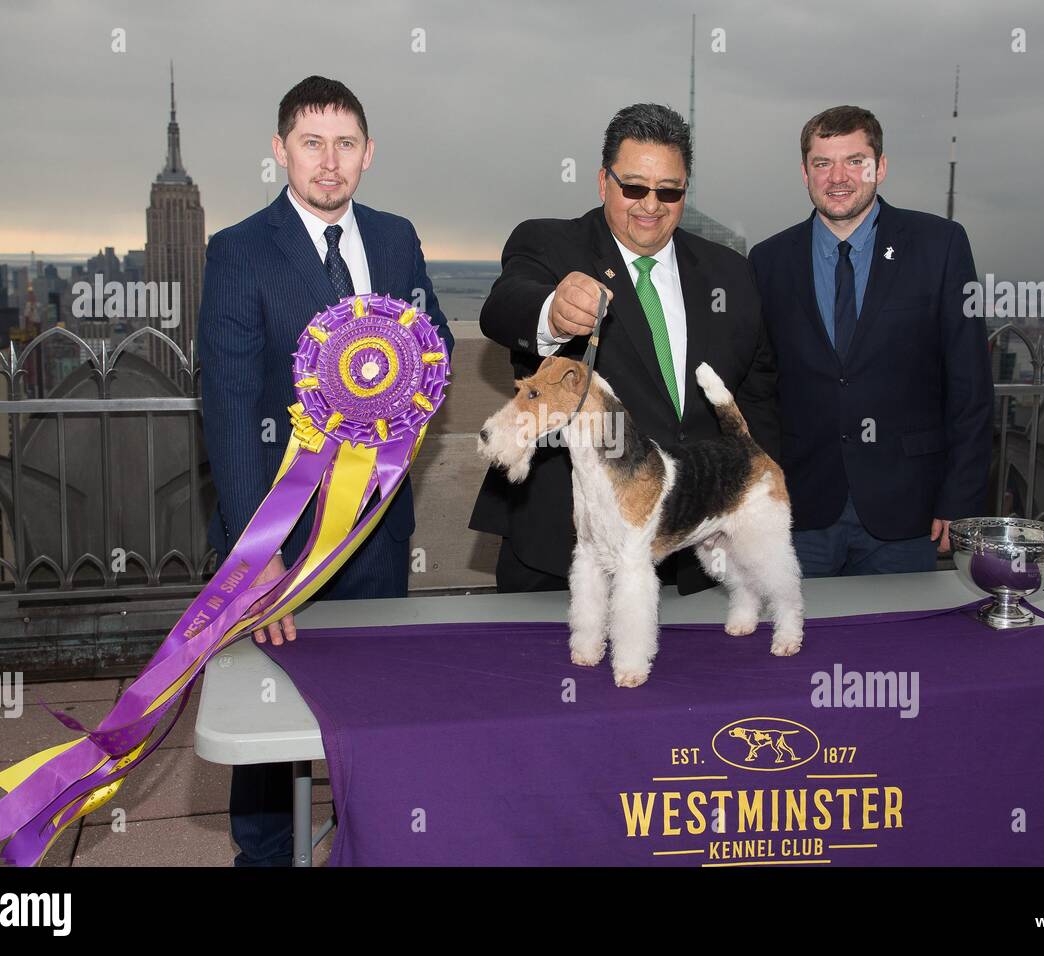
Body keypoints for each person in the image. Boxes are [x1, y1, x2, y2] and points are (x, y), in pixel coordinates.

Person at [197, 75, 453, 866]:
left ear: (368, 153)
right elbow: (233, 408)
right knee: (269, 729)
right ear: (281, 151)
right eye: (312, 143)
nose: (329, 162)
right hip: (280, 537)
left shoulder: (399, 237)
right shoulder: (239, 251)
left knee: (372, 712)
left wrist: (407, 404)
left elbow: (433, 346)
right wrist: (256, 558)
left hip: (375, 530)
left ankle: (368, 844)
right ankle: (268, 857)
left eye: (345, 144)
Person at [469, 103, 779, 595]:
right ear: (602, 182)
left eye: (669, 191)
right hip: (565, 555)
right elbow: (503, 307)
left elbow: (758, 397)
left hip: (697, 557)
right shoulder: (549, 242)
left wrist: (753, 504)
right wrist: (552, 312)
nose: (650, 205)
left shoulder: (731, 273)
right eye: (633, 186)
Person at [749, 105, 992, 578]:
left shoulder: (939, 245)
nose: (838, 177)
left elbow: (970, 382)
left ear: (879, 167)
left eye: (855, 161)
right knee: (798, 642)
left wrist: (960, 498)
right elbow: (759, 385)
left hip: (908, 509)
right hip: (799, 507)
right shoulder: (769, 260)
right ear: (805, 173)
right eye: (823, 163)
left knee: (899, 649)